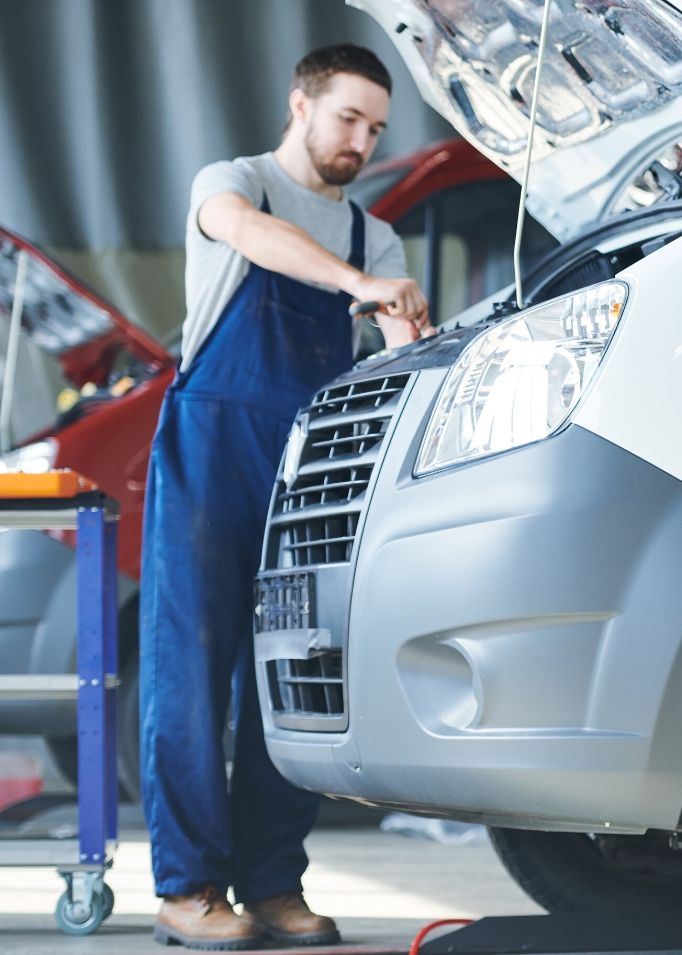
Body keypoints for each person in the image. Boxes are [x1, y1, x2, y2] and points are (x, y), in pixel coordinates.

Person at [139, 44, 429, 950]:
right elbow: (240, 231)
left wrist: (398, 326)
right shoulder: (237, 184)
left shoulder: (372, 236)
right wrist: (354, 287)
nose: (361, 140)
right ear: (299, 105)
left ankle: (270, 884)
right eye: (348, 117)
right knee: (187, 672)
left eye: (376, 128)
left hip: (305, 470)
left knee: (289, 677)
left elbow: (391, 351)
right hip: (210, 448)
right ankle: (186, 889)